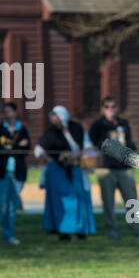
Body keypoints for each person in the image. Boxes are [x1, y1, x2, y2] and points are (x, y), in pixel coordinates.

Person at [34, 105, 96, 240]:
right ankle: (64, 230)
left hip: (76, 169)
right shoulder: (51, 132)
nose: (54, 119)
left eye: (56, 117)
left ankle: (80, 229)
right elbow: (39, 150)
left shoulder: (76, 128)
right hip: (58, 171)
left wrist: (76, 155)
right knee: (63, 201)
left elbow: (88, 146)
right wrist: (51, 159)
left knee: (79, 198)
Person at [89, 96, 139, 239]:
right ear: (103, 109)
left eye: (113, 106)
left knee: (131, 201)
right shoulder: (98, 125)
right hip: (106, 168)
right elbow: (94, 143)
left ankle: (137, 231)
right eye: (107, 107)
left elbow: (129, 142)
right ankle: (112, 231)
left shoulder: (123, 123)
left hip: (124, 168)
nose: (111, 110)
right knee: (108, 203)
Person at [0, 101, 30, 245]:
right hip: (2, 172)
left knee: (12, 206)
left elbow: (26, 149)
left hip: (17, 172)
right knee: (1, 206)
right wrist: (17, 146)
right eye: (4, 111)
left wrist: (10, 146)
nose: (7, 114)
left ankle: (8, 236)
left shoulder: (22, 129)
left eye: (9, 111)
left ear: (15, 112)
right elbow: (5, 148)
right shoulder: (1, 129)